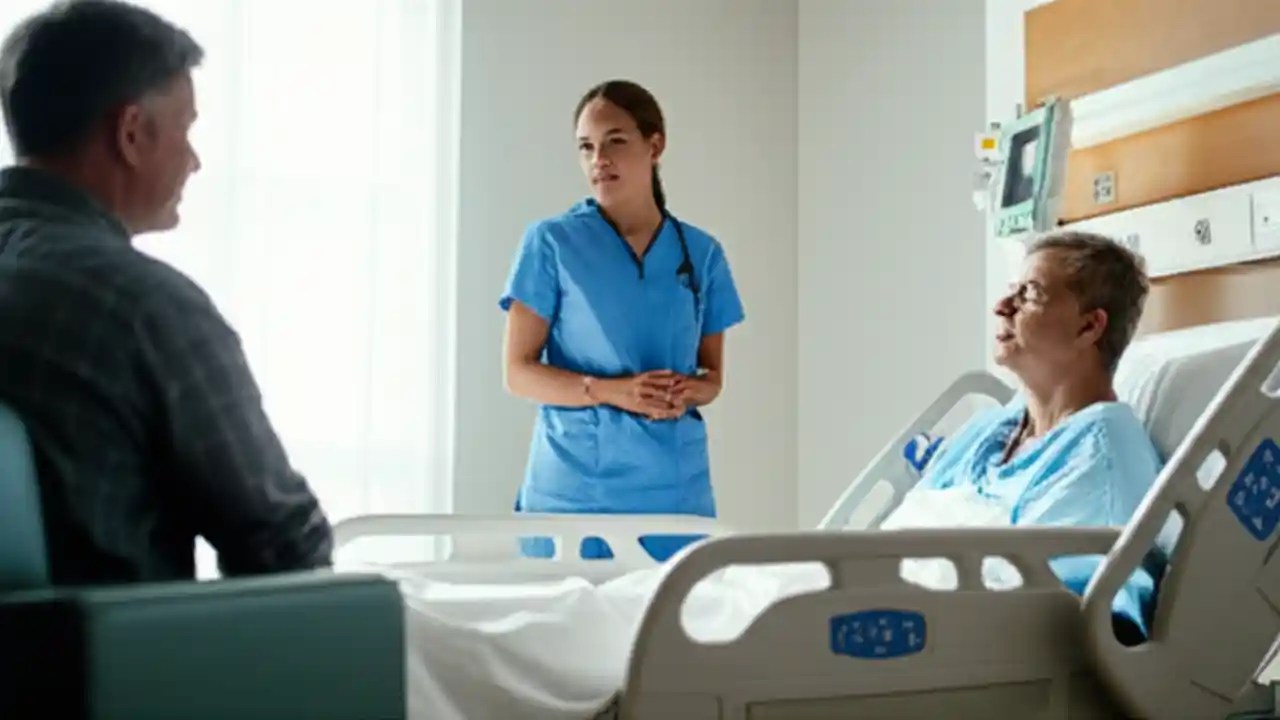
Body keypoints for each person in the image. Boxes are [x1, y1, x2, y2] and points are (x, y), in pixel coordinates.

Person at [0, 0, 332, 585]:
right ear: (131, 133)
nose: (195, 160)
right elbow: (280, 546)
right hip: (110, 668)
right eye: (187, 128)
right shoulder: (142, 308)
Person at [500, 79, 745, 562]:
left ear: (655, 145)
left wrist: (687, 391)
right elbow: (518, 373)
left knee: (675, 625)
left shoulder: (701, 254)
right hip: (574, 487)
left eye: (615, 141)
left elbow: (712, 379)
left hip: (674, 488)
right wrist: (614, 391)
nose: (599, 160)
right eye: (586, 147)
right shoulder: (551, 243)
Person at [888, 230, 1163, 641]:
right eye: (1010, 291)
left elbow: (1079, 624)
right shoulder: (989, 429)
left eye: (1029, 295)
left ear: (1089, 326)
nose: (1002, 307)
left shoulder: (1103, 452)